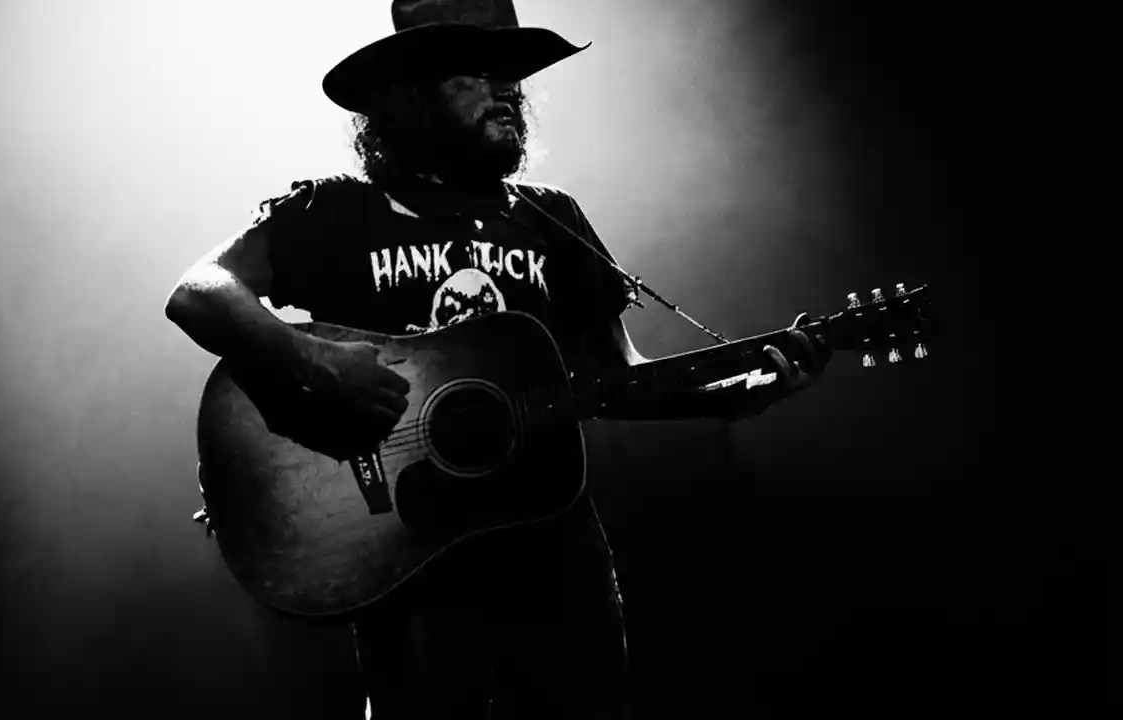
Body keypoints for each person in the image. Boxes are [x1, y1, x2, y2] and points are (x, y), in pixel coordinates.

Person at [164, 1, 830, 717]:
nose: (509, 90)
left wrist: (732, 393)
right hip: (406, 554)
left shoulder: (553, 219)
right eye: (474, 76)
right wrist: (315, 363)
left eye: (512, 75)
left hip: (551, 550)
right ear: (410, 96)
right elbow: (201, 293)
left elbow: (620, 378)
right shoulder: (335, 214)